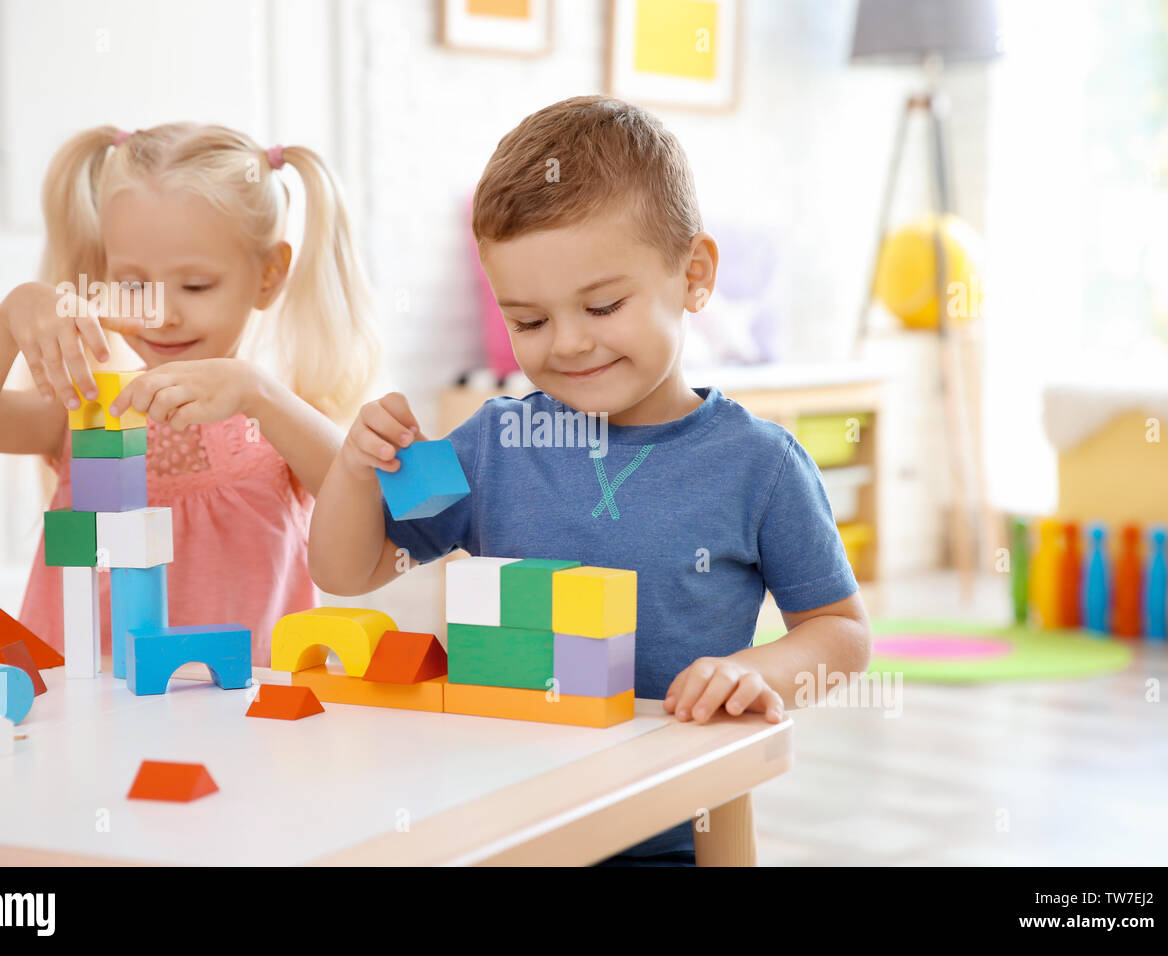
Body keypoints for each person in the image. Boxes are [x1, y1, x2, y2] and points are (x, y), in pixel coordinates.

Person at [308, 95, 871, 866]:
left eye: (602, 305)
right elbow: (348, 570)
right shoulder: (492, 443)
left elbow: (840, 634)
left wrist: (752, 670)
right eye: (529, 322)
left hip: (668, 833)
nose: (568, 343)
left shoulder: (759, 465)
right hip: (496, 815)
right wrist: (351, 467)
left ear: (694, 276)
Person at [0, 123, 379, 665]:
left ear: (268, 274)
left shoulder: (278, 417)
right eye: (135, 285)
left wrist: (259, 393)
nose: (161, 313)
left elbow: (366, 511)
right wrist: (8, 316)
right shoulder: (87, 409)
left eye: (195, 286)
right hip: (81, 712)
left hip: (240, 718)